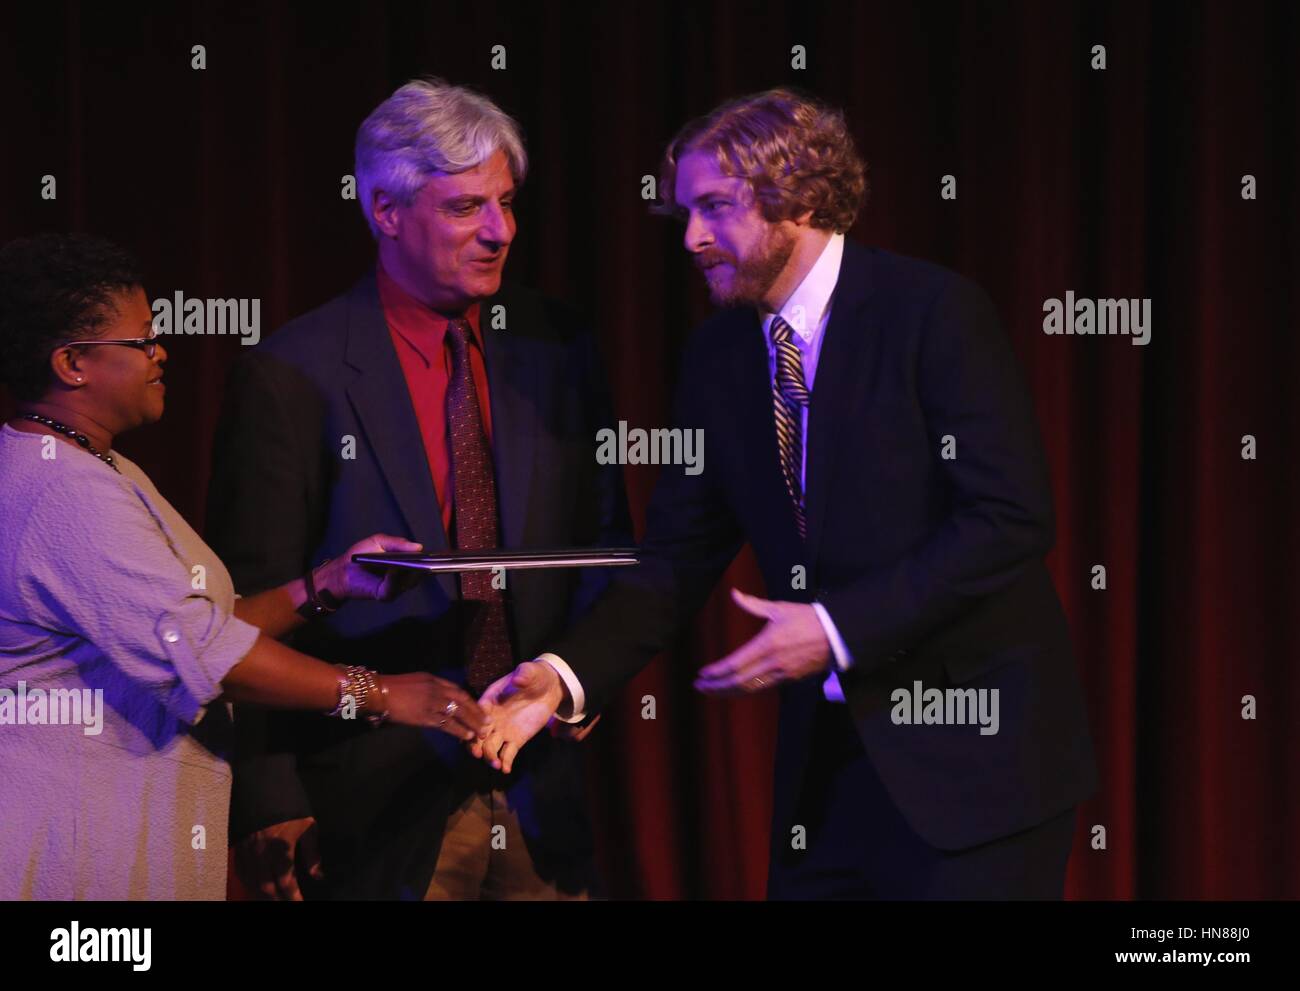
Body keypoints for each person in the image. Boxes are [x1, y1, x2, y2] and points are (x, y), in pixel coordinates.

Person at [474, 88, 1098, 899]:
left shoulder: (932, 314)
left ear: (799, 199)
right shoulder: (720, 354)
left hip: (975, 767)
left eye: (716, 208)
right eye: (685, 213)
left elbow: (1010, 518)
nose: (693, 237)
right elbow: (676, 556)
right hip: (832, 782)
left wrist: (837, 628)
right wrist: (565, 673)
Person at [206, 78, 630, 900]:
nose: (501, 231)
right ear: (386, 211)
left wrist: (580, 681)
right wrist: (269, 800)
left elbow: (608, 543)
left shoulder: (558, 347)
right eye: (468, 207)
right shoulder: (292, 374)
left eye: (507, 203)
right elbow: (238, 616)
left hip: (541, 790)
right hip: (367, 809)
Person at [0, 232, 487, 900]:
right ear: (73, 362)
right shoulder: (65, 491)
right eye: (141, 341)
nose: (160, 352)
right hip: (80, 866)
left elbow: (187, 629)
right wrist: (382, 692)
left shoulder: (92, 467)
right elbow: (206, 655)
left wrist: (326, 584)